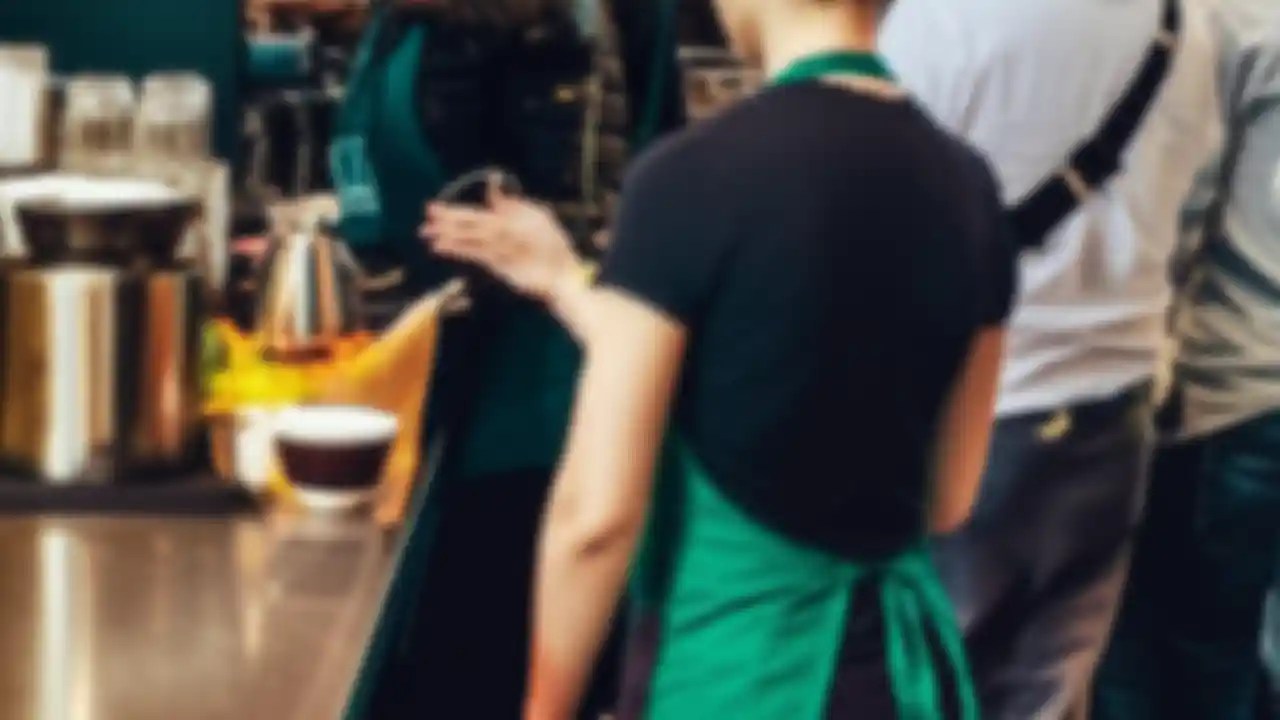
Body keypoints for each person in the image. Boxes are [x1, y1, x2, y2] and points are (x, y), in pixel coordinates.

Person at [428, 0, 1017, 716]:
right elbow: (948, 495)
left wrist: (544, 709)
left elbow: (596, 520)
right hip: (900, 677)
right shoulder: (971, 188)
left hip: (742, 674)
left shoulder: (689, 178)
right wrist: (563, 282)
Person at [333, 1, 685, 718]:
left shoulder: (556, 31)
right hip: (436, 411)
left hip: (523, 429)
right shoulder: (419, 24)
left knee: (475, 678)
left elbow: (558, 220)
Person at [877, 2, 1221, 718]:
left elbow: (873, 223)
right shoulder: (1181, 21)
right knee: (1050, 690)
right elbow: (1187, 192)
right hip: (1114, 409)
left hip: (968, 415)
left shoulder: (940, 24)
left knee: (927, 683)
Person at [1091, 5, 1280, 719]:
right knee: (1230, 651)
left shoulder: (1231, 20)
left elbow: (1176, 215)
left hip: (1226, 395)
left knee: (1157, 652)